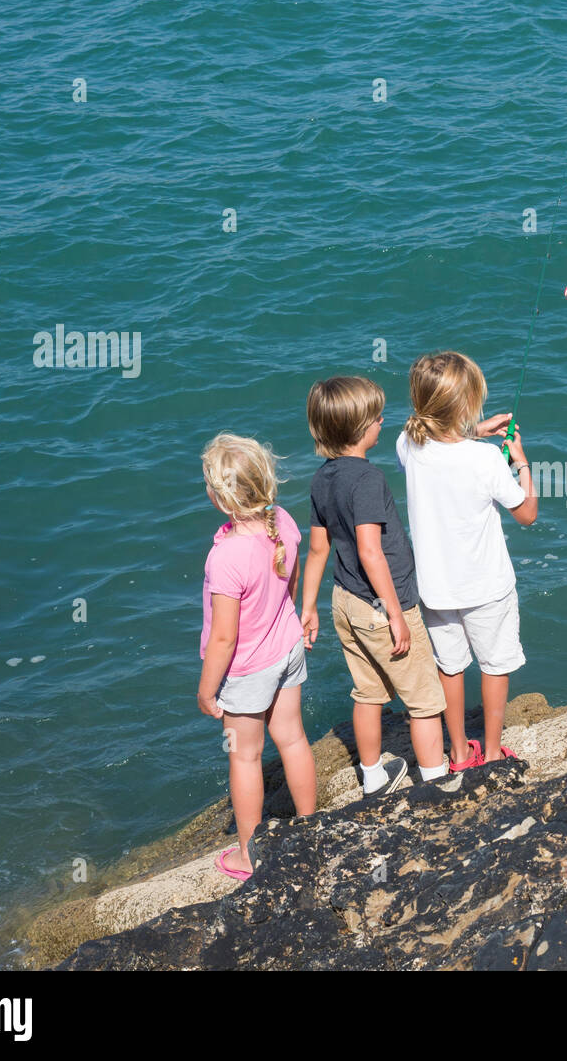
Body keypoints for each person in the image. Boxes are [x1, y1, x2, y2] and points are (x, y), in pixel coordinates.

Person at [301, 376, 449, 797]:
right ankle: (435, 785)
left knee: (368, 692)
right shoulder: (368, 480)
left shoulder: (321, 479)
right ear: (360, 429)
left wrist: (307, 607)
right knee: (424, 702)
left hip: (344, 601)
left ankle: (373, 777)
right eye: (376, 416)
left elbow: (317, 549)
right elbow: (370, 551)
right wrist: (396, 614)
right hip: (383, 605)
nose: (383, 420)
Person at [396, 351, 537, 770]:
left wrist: (474, 431)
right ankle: (492, 752)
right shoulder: (485, 460)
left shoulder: (408, 443)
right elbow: (527, 513)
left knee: (450, 668)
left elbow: (441, 444)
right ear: (465, 405)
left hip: (436, 590)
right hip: (486, 588)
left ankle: (458, 752)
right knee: (494, 665)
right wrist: (520, 460)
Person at [198, 433, 316, 881]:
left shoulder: (225, 557)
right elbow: (291, 577)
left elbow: (224, 639)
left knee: (245, 758)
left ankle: (249, 856)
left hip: (246, 670)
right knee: (293, 738)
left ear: (219, 497)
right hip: (287, 648)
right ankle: (309, 829)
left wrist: (208, 690)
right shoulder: (281, 521)